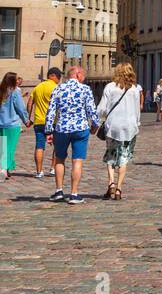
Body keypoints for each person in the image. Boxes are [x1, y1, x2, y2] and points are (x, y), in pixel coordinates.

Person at [44, 67, 98, 205]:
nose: (84, 78)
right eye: (83, 75)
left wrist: (48, 131)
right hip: (80, 128)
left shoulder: (58, 89)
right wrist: (95, 125)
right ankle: (74, 194)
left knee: (59, 159)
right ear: (78, 75)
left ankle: (59, 191)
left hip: (61, 128)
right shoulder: (85, 89)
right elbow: (91, 109)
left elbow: (51, 112)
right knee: (77, 160)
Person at [98, 63, 142, 201]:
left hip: (113, 127)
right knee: (123, 157)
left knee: (111, 154)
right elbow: (137, 111)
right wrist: (137, 124)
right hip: (129, 127)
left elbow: (102, 108)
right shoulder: (135, 89)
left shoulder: (110, 87)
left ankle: (111, 182)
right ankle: (119, 189)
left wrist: (97, 118)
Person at [0, 72, 29, 182]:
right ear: (12, 81)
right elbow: (20, 108)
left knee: (1, 148)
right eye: (16, 79)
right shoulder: (15, 92)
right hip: (12, 125)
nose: (18, 81)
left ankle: (6, 169)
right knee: (9, 148)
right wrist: (26, 120)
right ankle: (3, 170)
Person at [27, 67, 61, 179]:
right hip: (53, 122)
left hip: (39, 121)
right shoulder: (56, 88)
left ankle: (39, 171)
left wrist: (28, 117)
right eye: (58, 77)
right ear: (53, 76)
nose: (59, 80)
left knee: (39, 146)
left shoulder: (38, 87)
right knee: (57, 146)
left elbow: (30, 102)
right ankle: (53, 168)